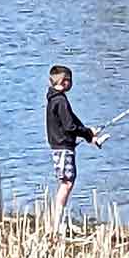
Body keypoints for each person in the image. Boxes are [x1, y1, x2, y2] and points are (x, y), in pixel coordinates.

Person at [46, 65, 98, 231]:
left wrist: (89, 134)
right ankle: (56, 223)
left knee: (66, 181)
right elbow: (70, 126)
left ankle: (57, 220)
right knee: (67, 182)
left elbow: (73, 120)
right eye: (71, 80)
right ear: (65, 82)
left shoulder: (55, 99)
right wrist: (86, 133)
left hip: (60, 146)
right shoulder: (60, 101)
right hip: (63, 147)